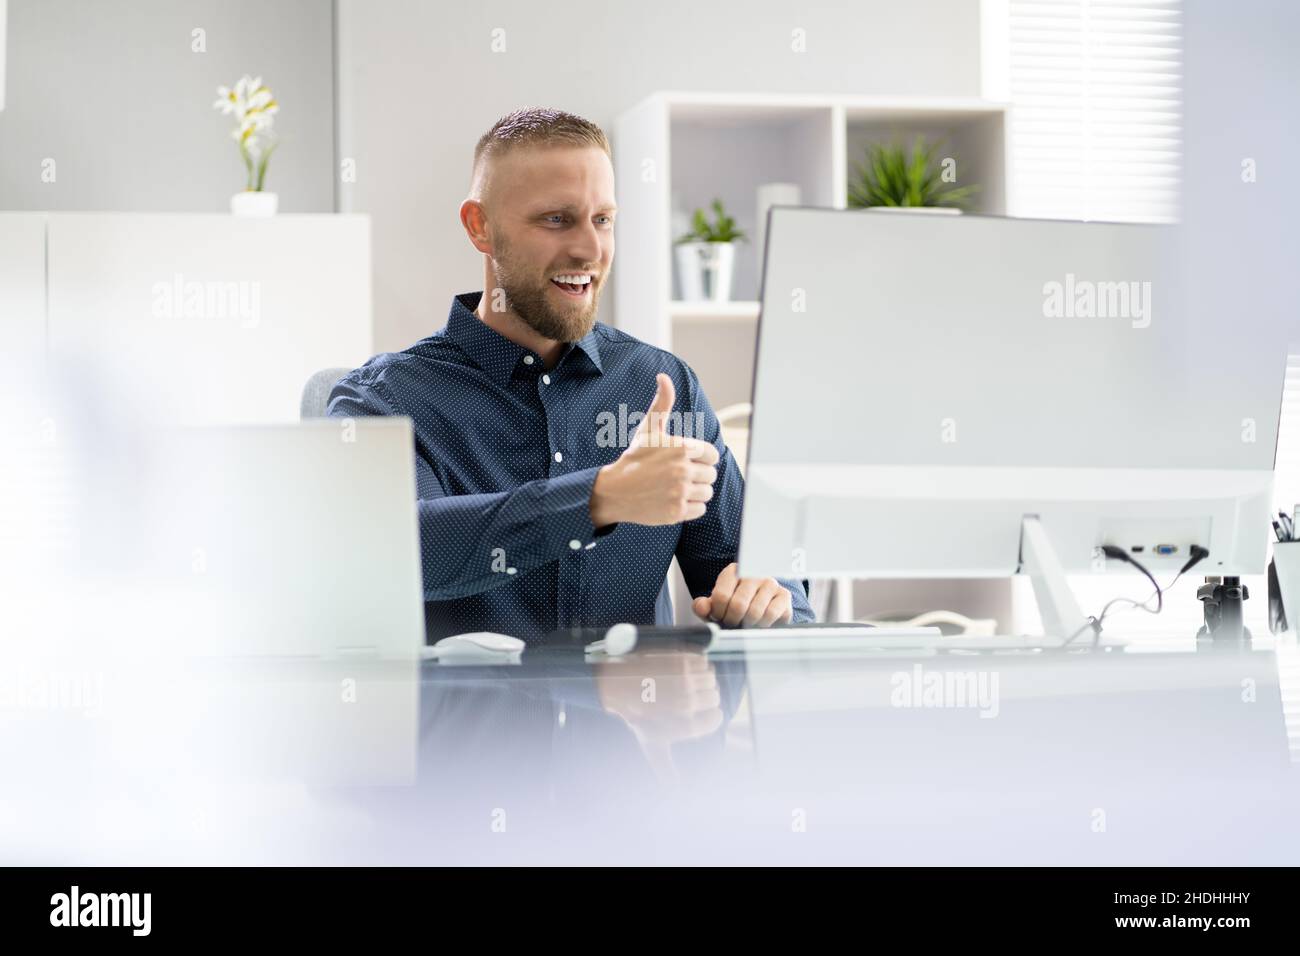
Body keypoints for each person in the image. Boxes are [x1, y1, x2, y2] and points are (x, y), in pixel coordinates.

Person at [328, 107, 813, 641]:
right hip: (467, 724)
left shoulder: (663, 387)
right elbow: (390, 551)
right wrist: (600, 498)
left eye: (602, 219)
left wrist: (766, 596)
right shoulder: (384, 400)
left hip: (632, 724)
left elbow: (763, 578)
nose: (590, 249)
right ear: (479, 226)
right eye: (556, 219)